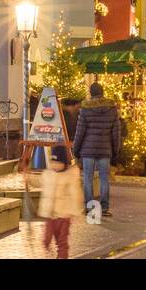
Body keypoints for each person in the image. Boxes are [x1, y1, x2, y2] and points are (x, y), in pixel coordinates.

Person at [72, 81, 122, 217]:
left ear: (91, 93)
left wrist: (75, 149)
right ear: (102, 92)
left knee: (87, 178)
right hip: (105, 149)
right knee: (104, 178)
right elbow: (116, 132)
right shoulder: (112, 109)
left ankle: (90, 207)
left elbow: (80, 131)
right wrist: (115, 150)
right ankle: (104, 208)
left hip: (87, 150)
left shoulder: (85, 108)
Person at [38, 145, 84, 259]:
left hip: (64, 215)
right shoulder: (48, 174)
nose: (55, 165)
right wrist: (28, 178)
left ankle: (62, 256)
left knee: (62, 241)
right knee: (46, 239)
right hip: (50, 215)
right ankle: (49, 250)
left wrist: (77, 210)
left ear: (64, 163)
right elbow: (39, 181)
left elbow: (76, 194)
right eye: (53, 162)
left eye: (58, 163)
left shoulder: (70, 176)